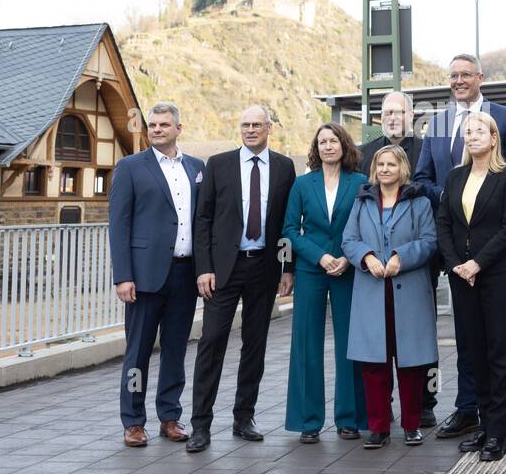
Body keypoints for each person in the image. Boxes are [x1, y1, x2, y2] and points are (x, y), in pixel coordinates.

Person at [414, 53, 506, 444]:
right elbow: (422, 178)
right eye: (453, 75)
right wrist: (452, 194)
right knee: (469, 339)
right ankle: (470, 411)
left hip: (494, 254)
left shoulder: (505, 116)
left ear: (481, 77)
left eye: (466, 74)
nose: (459, 81)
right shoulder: (437, 123)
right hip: (455, 249)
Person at [187, 105, 296, 451]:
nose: (250, 130)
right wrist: (203, 268)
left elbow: (289, 223)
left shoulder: (283, 167)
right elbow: (201, 219)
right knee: (212, 341)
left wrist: (287, 268)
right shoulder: (217, 165)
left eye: (256, 125)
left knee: (255, 344)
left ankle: (243, 417)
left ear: (268, 128)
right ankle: (200, 425)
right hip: (222, 269)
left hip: (263, 268)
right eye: (245, 125)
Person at [108, 103, 206, 447]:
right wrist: (123, 276)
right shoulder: (131, 167)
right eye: (152, 125)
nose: (157, 129)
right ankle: (133, 421)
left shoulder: (196, 167)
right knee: (137, 353)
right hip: (144, 277)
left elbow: (202, 221)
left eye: (165, 124)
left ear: (179, 128)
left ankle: (170, 416)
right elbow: (118, 225)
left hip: (184, 274)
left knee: (176, 350)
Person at [435, 112, 506, 462]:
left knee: (500, 353)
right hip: (463, 278)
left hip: (497, 276)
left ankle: (497, 431)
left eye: (479, 131)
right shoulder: (455, 176)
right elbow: (443, 223)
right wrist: (457, 263)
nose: (472, 136)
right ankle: (484, 428)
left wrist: (478, 263)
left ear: (493, 138)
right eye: (467, 131)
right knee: (473, 352)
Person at [341, 145, 438, 448]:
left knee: (410, 362)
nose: (384, 169)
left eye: (391, 165)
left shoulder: (419, 201)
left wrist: (401, 257)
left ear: (402, 169)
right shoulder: (362, 201)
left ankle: (411, 424)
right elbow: (349, 239)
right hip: (371, 290)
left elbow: (429, 241)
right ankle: (379, 427)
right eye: (380, 164)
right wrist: (366, 257)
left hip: (408, 290)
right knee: (374, 363)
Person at [281, 123, 370, 443]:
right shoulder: (303, 184)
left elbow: (365, 224)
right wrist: (319, 257)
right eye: (322, 142)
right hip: (311, 268)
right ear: (316, 149)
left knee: (350, 343)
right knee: (306, 343)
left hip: (348, 268)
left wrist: (348, 257)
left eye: (334, 141)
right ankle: (308, 420)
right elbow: (290, 229)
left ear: (344, 146)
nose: (328, 146)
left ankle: (350, 418)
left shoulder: (360, 182)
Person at [359, 90, 438, 428]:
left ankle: (426, 402)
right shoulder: (364, 154)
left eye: (399, 112)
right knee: (379, 336)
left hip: (418, 261)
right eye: (387, 112)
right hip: (374, 266)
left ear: (411, 116)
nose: (393, 117)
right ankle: (383, 404)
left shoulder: (427, 149)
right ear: (380, 118)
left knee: (421, 335)